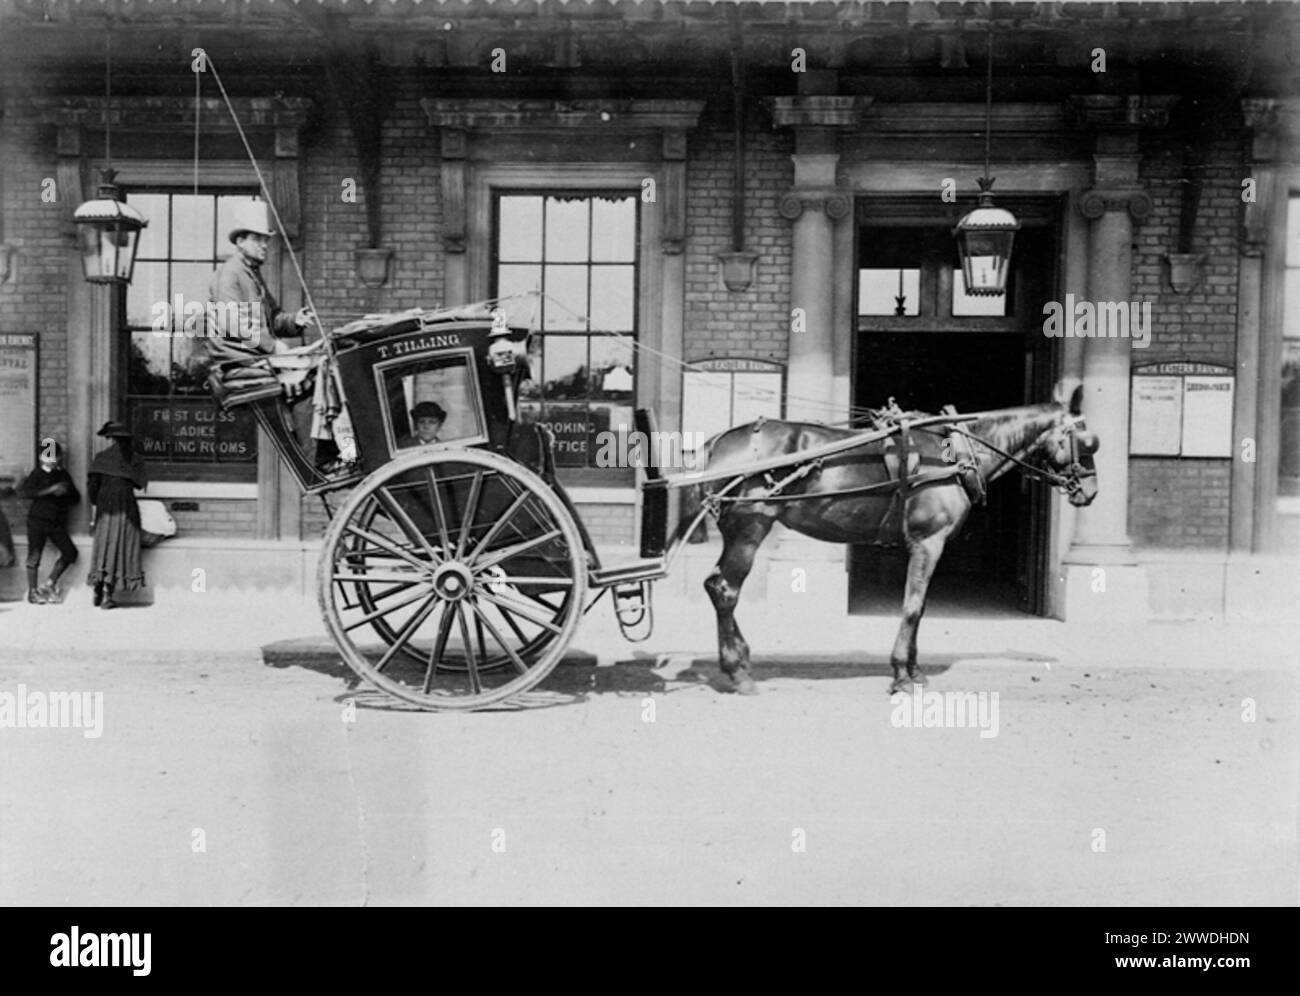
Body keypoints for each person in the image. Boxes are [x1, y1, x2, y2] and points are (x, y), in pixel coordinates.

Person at [86, 421, 148, 610]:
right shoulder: (134, 459)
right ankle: (108, 595)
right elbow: (139, 484)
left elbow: (92, 488)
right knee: (121, 546)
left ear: (110, 438)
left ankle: (98, 584)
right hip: (126, 507)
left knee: (104, 545)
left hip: (106, 507)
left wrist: (100, 502)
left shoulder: (101, 457)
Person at [15, 440, 80, 604]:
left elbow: (76, 498)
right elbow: (25, 493)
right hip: (37, 520)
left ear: (59, 457)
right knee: (34, 556)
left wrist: (64, 492)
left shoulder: (63, 475)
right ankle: (32, 592)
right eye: (47, 455)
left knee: (70, 552)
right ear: (40, 457)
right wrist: (50, 491)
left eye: (54, 456)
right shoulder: (36, 474)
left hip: (56, 522)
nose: (50, 459)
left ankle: (50, 583)